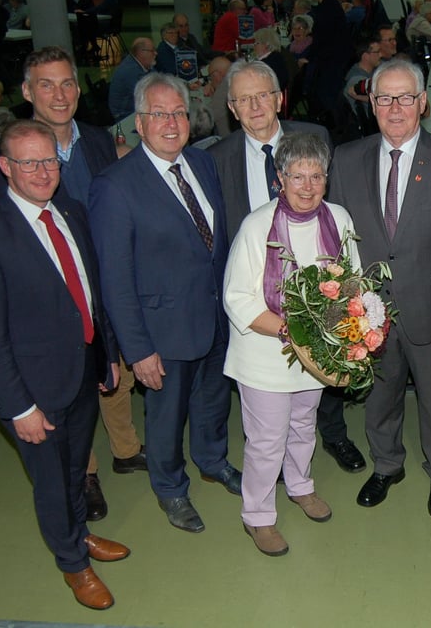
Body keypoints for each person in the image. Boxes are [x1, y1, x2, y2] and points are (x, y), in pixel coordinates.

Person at [0, 119, 129, 610]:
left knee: (76, 469)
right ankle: (73, 564)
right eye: (28, 162)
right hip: (33, 392)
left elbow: (92, 295)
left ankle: (80, 536)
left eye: (49, 160)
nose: (41, 171)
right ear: (5, 166)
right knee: (52, 483)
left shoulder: (71, 212)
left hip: (81, 373)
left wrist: (106, 354)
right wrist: (18, 407)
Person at [89, 73, 242, 534]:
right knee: (166, 418)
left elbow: (213, 243)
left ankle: (213, 461)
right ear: (139, 122)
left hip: (214, 316)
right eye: (159, 114)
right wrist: (137, 349)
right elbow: (113, 279)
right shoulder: (115, 186)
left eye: (178, 112)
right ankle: (171, 488)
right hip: (163, 331)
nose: (171, 122)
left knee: (214, 401)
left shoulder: (201, 161)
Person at [329, 59, 431, 519]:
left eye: (405, 97)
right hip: (368, 310)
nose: (395, 108)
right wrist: (343, 311)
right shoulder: (347, 159)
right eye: (384, 98)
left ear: (423, 102)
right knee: (379, 395)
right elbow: (336, 241)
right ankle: (387, 464)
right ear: (371, 103)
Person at [206, 60, 363, 473]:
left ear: (279, 98)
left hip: (317, 292)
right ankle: (267, 462)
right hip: (256, 302)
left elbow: (333, 210)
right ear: (232, 108)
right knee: (264, 410)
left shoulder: (315, 139)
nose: (255, 105)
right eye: (244, 99)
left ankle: (334, 438)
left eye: (263, 95)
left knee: (315, 398)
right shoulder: (215, 158)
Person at [223, 132, 354, 556]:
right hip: (265, 354)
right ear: (280, 178)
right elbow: (237, 298)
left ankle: (300, 486)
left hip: (315, 355)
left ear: (327, 179)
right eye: (297, 176)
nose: (308, 186)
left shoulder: (339, 218)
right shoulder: (256, 225)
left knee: (303, 425)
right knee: (266, 440)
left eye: (316, 176)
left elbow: (349, 282)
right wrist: (290, 331)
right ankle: (258, 516)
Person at [108, 38, 157, 121]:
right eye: (152, 51)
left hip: (134, 109)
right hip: (124, 116)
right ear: (141, 52)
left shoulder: (142, 64)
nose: (156, 53)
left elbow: (158, 79)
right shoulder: (130, 71)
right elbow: (149, 95)